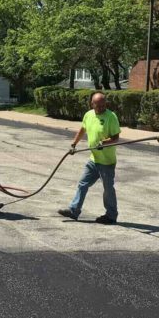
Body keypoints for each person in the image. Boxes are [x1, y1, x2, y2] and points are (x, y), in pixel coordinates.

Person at [58, 91, 121, 224]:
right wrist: (73, 144)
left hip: (107, 162)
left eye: (103, 105)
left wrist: (104, 142)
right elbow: (82, 130)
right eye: (98, 106)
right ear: (92, 104)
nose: (101, 108)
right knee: (83, 183)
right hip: (94, 159)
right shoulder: (88, 115)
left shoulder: (111, 117)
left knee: (108, 189)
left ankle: (111, 215)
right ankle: (74, 211)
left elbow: (116, 138)